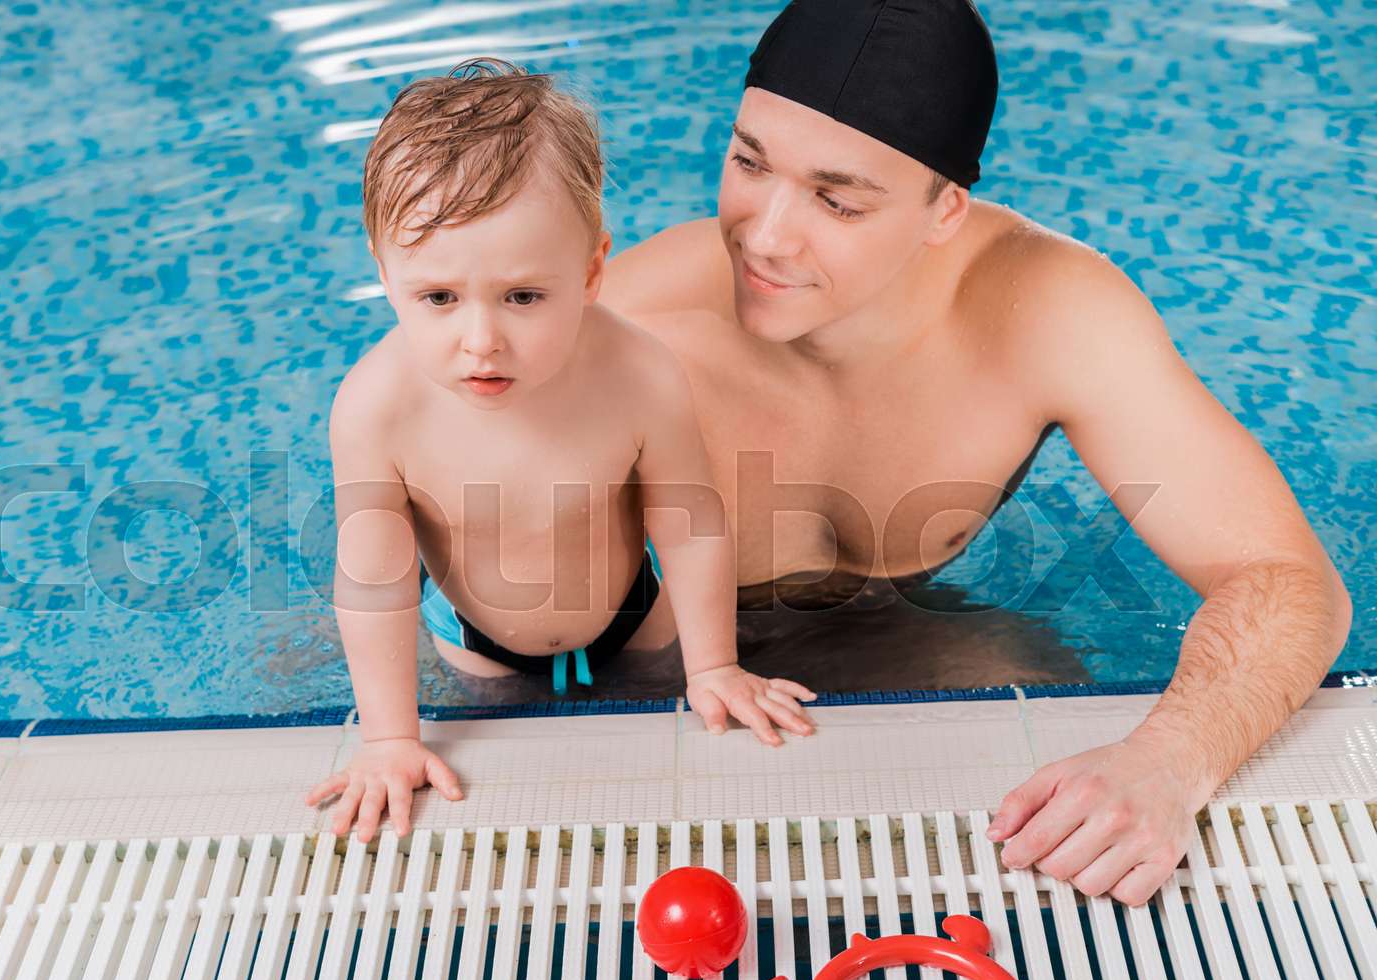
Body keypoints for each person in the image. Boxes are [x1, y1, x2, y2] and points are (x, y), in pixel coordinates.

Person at [601, 0, 1351, 905]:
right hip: (661, 658)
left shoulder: (1047, 310)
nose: (764, 235)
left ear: (944, 211)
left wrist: (1169, 760)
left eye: (837, 201)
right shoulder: (632, 325)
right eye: (748, 163)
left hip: (908, 632)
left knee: (1034, 698)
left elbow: (1286, 576)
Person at [309, 60, 816, 843]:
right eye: (438, 298)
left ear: (589, 272)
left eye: (523, 297)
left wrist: (713, 665)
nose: (482, 341)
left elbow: (689, 524)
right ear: (385, 274)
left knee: (672, 790)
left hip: (636, 624)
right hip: (479, 646)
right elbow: (374, 579)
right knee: (502, 817)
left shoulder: (638, 373)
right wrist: (389, 739)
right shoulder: (377, 408)